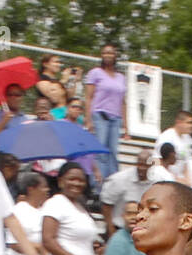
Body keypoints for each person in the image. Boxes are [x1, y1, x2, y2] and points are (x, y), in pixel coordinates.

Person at [84, 43, 128, 182]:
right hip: (100, 115)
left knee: (113, 152)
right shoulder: (96, 73)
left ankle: (112, 184)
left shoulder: (121, 77)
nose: (108, 55)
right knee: (100, 152)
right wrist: (88, 119)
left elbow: (123, 102)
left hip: (116, 119)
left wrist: (126, 126)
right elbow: (88, 97)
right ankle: (98, 186)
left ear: (116, 56)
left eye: (111, 52)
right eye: (105, 53)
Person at [100, 149, 153, 239]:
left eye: (145, 165)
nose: (142, 168)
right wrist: (112, 231)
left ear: (151, 165)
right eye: (140, 164)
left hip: (142, 231)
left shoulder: (155, 180)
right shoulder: (119, 179)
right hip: (119, 229)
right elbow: (106, 205)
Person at [36, 54, 80, 120]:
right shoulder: (41, 79)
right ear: (45, 64)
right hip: (52, 115)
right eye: (55, 62)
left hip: (65, 112)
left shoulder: (57, 80)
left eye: (59, 62)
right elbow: (54, 96)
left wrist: (73, 80)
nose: (58, 64)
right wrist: (64, 80)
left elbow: (70, 97)